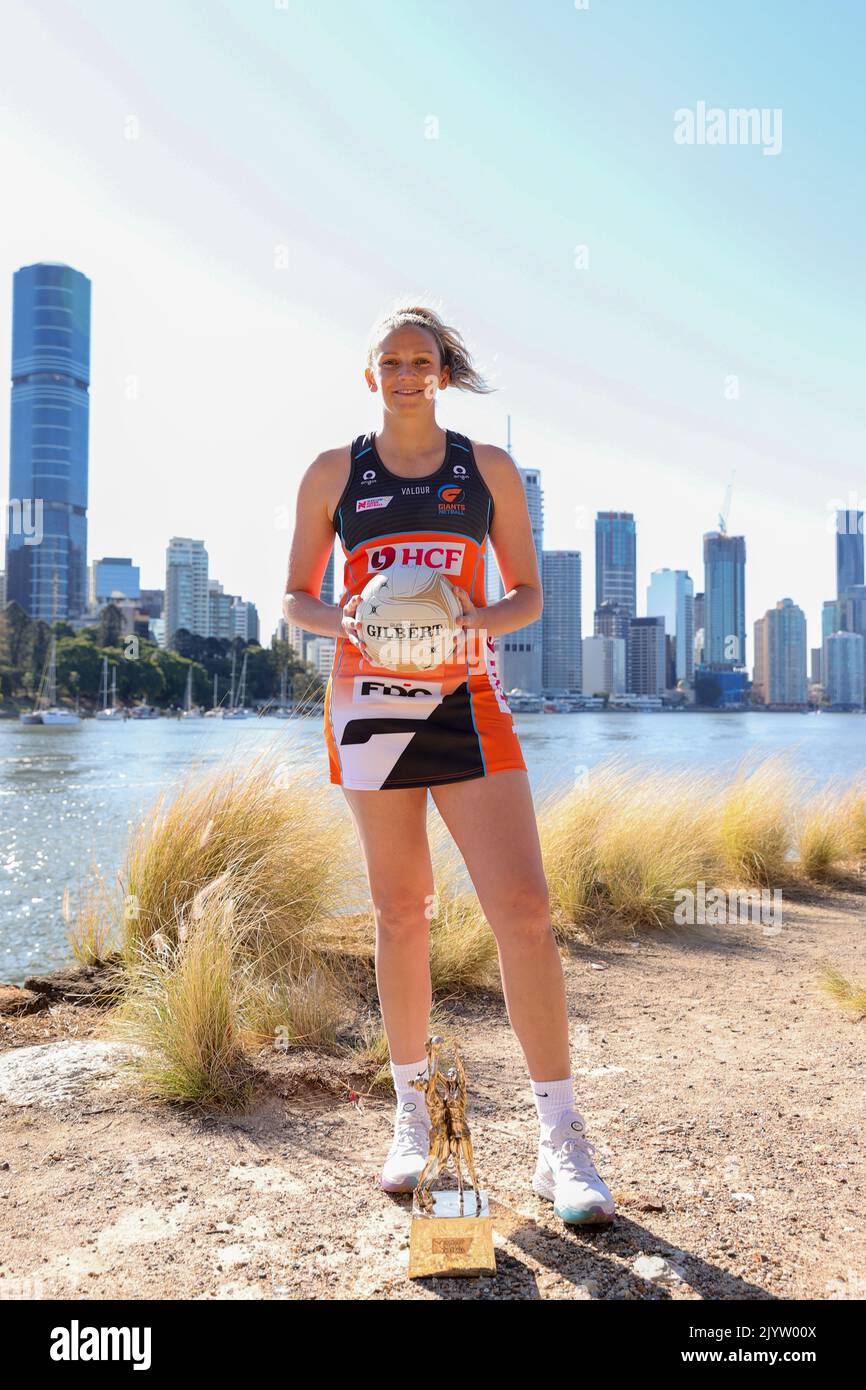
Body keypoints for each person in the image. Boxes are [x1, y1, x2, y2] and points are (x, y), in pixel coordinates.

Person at [282, 303, 614, 1226]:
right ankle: (413, 1114)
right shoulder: (333, 473)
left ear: (444, 371)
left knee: (526, 909)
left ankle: (561, 1139)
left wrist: (474, 621)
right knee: (400, 910)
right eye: (390, 361)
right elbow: (296, 596)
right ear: (370, 376)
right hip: (371, 706)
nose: (406, 373)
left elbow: (529, 596)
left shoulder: (487, 470)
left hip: (468, 699)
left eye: (421, 360)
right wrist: (341, 617)